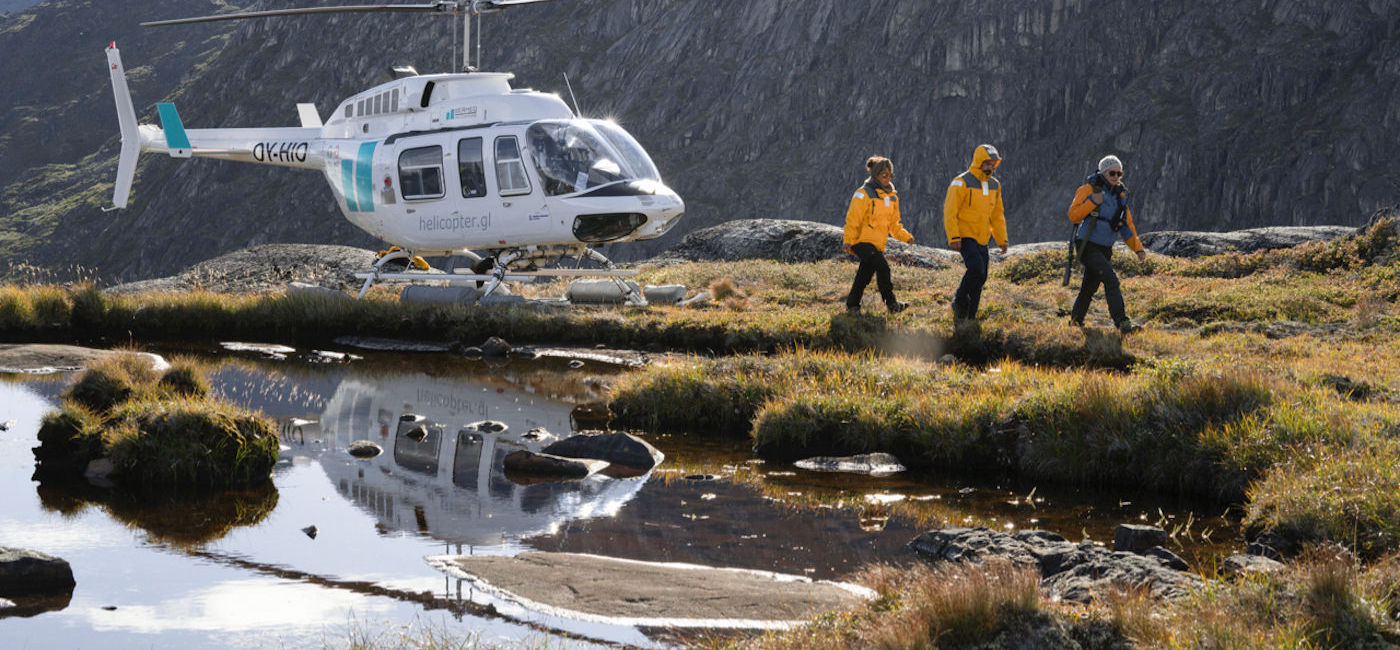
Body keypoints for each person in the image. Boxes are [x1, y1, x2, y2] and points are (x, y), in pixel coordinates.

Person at [1067, 155, 1149, 333]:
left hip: (1105, 249)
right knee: (1111, 280)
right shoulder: (1088, 190)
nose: (1116, 177)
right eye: (1112, 173)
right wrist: (1092, 202)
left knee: (1089, 287)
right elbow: (1073, 215)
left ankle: (1075, 323)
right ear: (1103, 172)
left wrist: (1138, 249)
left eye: (1119, 173)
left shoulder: (1120, 196)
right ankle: (1122, 324)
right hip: (1087, 245)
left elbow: (1127, 226)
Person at [943, 144, 1007, 322]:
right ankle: (959, 300)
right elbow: (950, 211)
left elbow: (997, 215)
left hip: (982, 238)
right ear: (978, 162)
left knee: (982, 276)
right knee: (976, 268)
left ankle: (970, 317)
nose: (990, 167)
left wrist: (1002, 239)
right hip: (965, 235)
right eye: (987, 163)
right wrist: (954, 237)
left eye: (992, 164)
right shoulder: (961, 182)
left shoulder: (995, 185)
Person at [843, 156, 914, 314]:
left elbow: (894, 225)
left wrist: (906, 237)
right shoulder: (863, 194)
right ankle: (892, 304)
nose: (888, 178)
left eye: (890, 175)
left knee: (864, 275)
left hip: (876, 245)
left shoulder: (892, 198)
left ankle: (852, 305)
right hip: (860, 241)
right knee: (883, 267)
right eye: (884, 175)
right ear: (875, 175)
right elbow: (853, 219)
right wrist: (848, 240)